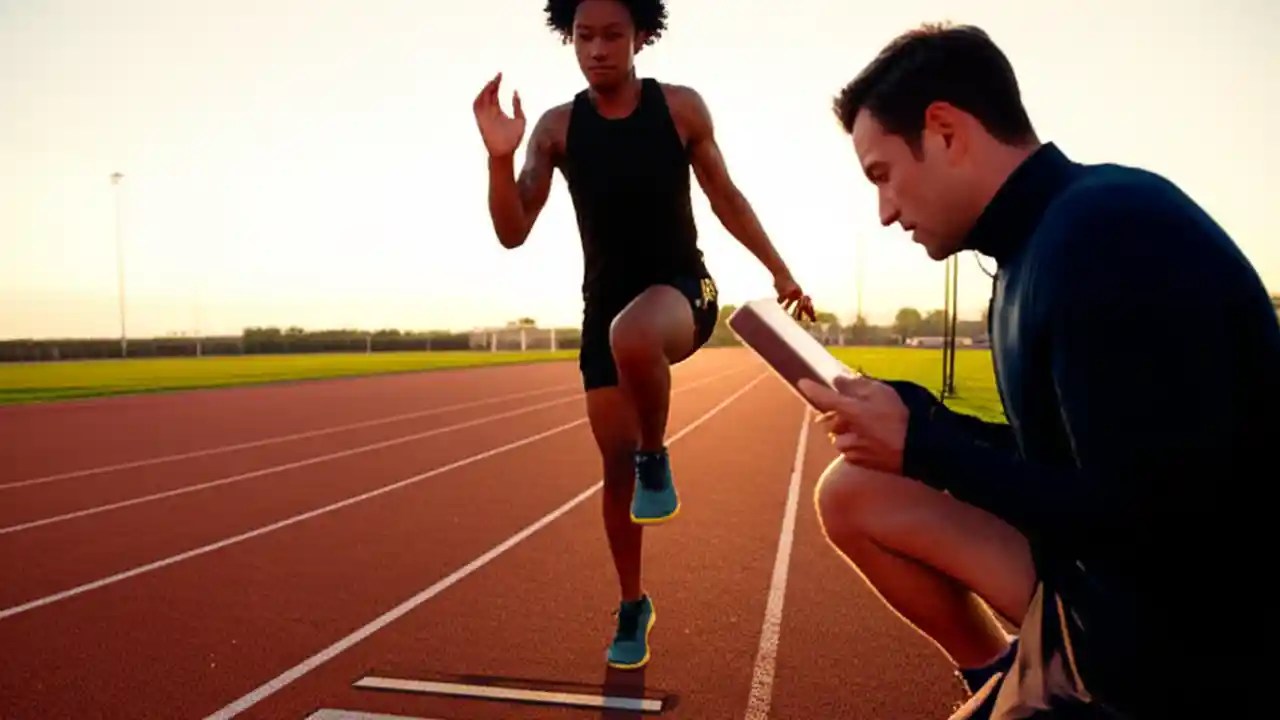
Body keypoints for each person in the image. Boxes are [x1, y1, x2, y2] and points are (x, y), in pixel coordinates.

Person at [798, 22, 1277, 719]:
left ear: (946, 131)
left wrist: (925, 447)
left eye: (883, 175)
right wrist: (923, 421)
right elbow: (1066, 463)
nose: (885, 211)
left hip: (1192, 646)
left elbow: (1151, 524)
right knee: (855, 488)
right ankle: (999, 670)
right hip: (1104, 591)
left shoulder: (1108, 236)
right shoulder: (1035, 246)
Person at [472, 0, 815, 671]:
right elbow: (513, 231)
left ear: (641, 38)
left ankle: (657, 456)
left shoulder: (680, 109)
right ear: (569, 39)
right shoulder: (556, 129)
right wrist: (499, 157)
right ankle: (633, 603)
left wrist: (779, 270)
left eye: (612, 36)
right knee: (612, 469)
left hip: (684, 290)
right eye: (584, 37)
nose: (597, 49)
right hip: (602, 307)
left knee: (636, 339)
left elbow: (726, 197)